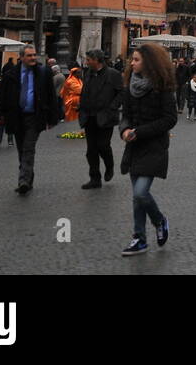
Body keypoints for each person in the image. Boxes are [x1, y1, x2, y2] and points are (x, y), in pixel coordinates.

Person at [119, 44, 178, 256]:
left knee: (140, 192)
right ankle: (139, 239)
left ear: (148, 63)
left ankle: (159, 220)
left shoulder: (162, 87)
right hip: (134, 146)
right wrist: (124, 129)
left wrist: (139, 131)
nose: (131, 63)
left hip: (154, 146)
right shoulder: (129, 86)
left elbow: (170, 119)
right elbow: (124, 115)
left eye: (136, 59)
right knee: (138, 196)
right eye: (131, 59)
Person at [0, 43, 61, 195]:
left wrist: (53, 118)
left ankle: (23, 180)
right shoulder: (11, 75)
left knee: (28, 148)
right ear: (21, 57)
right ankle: (28, 178)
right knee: (22, 150)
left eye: (34, 55)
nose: (33, 58)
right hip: (16, 117)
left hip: (34, 117)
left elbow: (51, 97)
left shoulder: (43, 73)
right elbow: (0, 97)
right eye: (29, 55)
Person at [78, 49, 123, 189]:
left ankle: (109, 166)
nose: (86, 62)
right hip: (89, 116)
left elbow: (121, 92)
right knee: (91, 150)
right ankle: (94, 178)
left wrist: (113, 107)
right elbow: (85, 91)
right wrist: (81, 106)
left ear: (97, 60)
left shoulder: (113, 74)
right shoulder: (88, 73)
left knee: (103, 145)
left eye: (88, 60)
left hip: (106, 117)